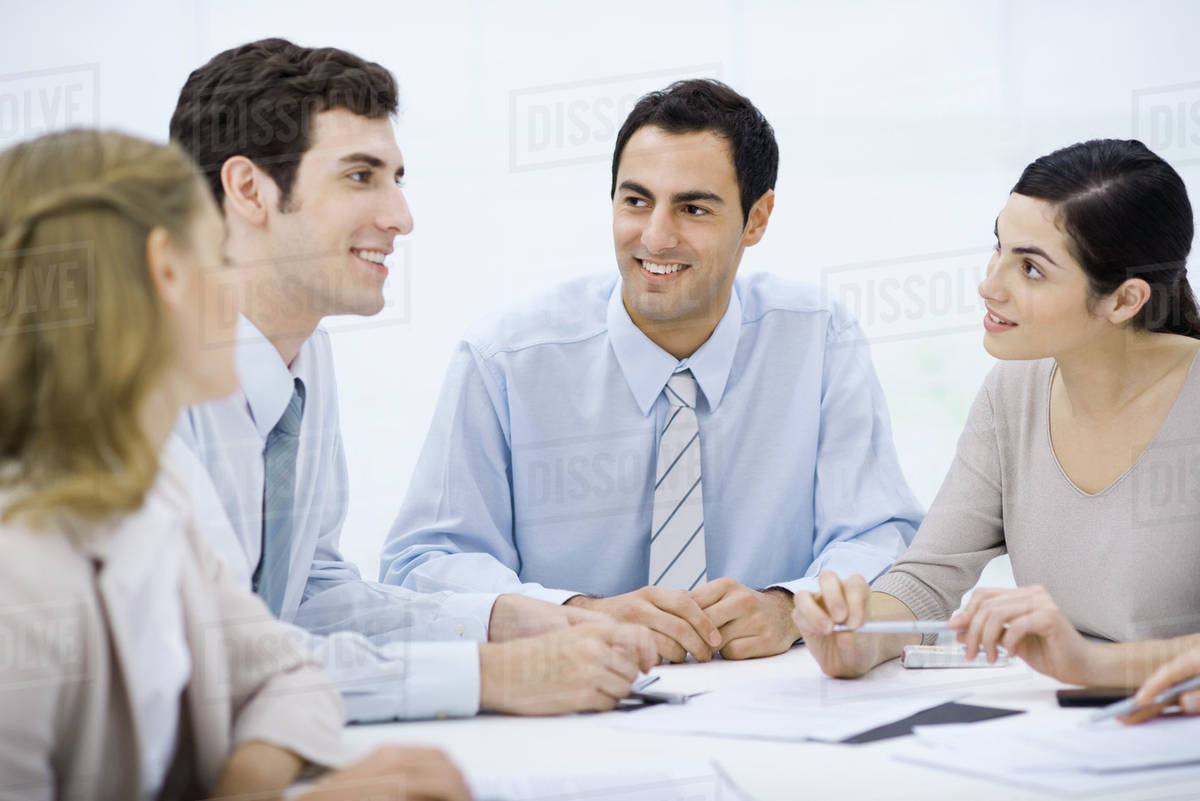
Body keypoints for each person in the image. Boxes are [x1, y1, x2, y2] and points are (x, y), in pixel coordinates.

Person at [169, 38, 655, 722]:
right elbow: (215, 656)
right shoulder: (139, 379)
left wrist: (503, 620)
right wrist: (487, 675)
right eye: (361, 176)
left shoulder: (306, 358)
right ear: (249, 189)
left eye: (397, 178)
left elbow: (306, 595)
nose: (401, 217)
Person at [381, 78, 923, 664]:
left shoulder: (819, 340)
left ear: (756, 219)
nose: (656, 237)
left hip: (770, 694)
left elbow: (882, 537)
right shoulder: (505, 358)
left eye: (693, 208)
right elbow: (423, 564)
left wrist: (792, 606)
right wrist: (573, 614)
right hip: (569, 701)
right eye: (636, 201)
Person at [0, 128, 471, 801]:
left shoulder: (150, 501)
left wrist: (248, 784)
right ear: (167, 270)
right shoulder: (18, 574)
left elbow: (287, 673)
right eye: (221, 253)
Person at [792, 138, 1200, 692]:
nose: (989, 284)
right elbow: (926, 580)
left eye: (1030, 268)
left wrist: (1093, 668)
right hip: (1071, 738)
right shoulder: (1012, 394)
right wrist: (853, 635)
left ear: (1124, 301)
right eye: (999, 248)